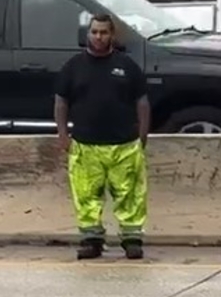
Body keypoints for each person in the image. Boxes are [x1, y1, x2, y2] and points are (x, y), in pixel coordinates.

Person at [53, 13, 152, 260]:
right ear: (88, 34)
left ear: (112, 35)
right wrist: (63, 134)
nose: (99, 37)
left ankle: (131, 239)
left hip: (124, 146)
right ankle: (91, 240)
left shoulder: (127, 66)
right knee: (86, 196)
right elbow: (61, 101)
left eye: (104, 32)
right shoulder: (73, 66)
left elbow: (142, 102)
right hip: (85, 146)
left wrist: (142, 135)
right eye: (94, 32)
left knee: (129, 195)